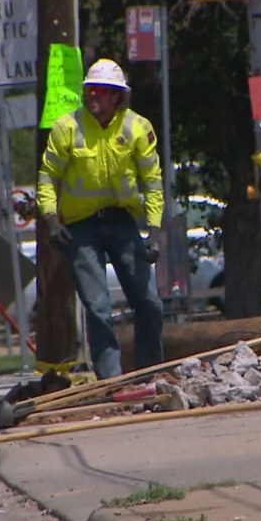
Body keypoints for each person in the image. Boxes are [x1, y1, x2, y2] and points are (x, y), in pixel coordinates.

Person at [36, 58, 165, 379]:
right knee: (98, 308)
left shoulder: (137, 128)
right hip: (81, 228)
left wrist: (156, 230)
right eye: (90, 89)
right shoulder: (68, 127)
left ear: (117, 96)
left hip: (122, 222)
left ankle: (150, 373)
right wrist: (51, 218)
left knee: (149, 303)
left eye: (102, 90)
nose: (94, 95)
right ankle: (110, 381)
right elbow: (48, 176)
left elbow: (153, 181)